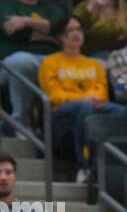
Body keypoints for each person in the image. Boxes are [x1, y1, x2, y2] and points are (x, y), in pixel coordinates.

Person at [38, 15, 120, 168]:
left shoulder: (94, 64)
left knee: (119, 110)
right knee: (84, 108)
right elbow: (54, 94)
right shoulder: (50, 62)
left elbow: (102, 91)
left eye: (79, 30)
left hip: (92, 104)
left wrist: (92, 98)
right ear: (61, 36)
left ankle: (114, 164)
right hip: (62, 109)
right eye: (70, 30)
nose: (76, 34)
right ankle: (84, 166)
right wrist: (83, 98)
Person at [0, 0, 65, 128]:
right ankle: (20, 123)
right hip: (10, 64)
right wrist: (47, 31)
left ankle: (56, 126)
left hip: (52, 60)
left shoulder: (51, 8)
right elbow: (13, 33)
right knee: (22, 61)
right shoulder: (4, 5)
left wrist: (25, 21)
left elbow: (60, 29)